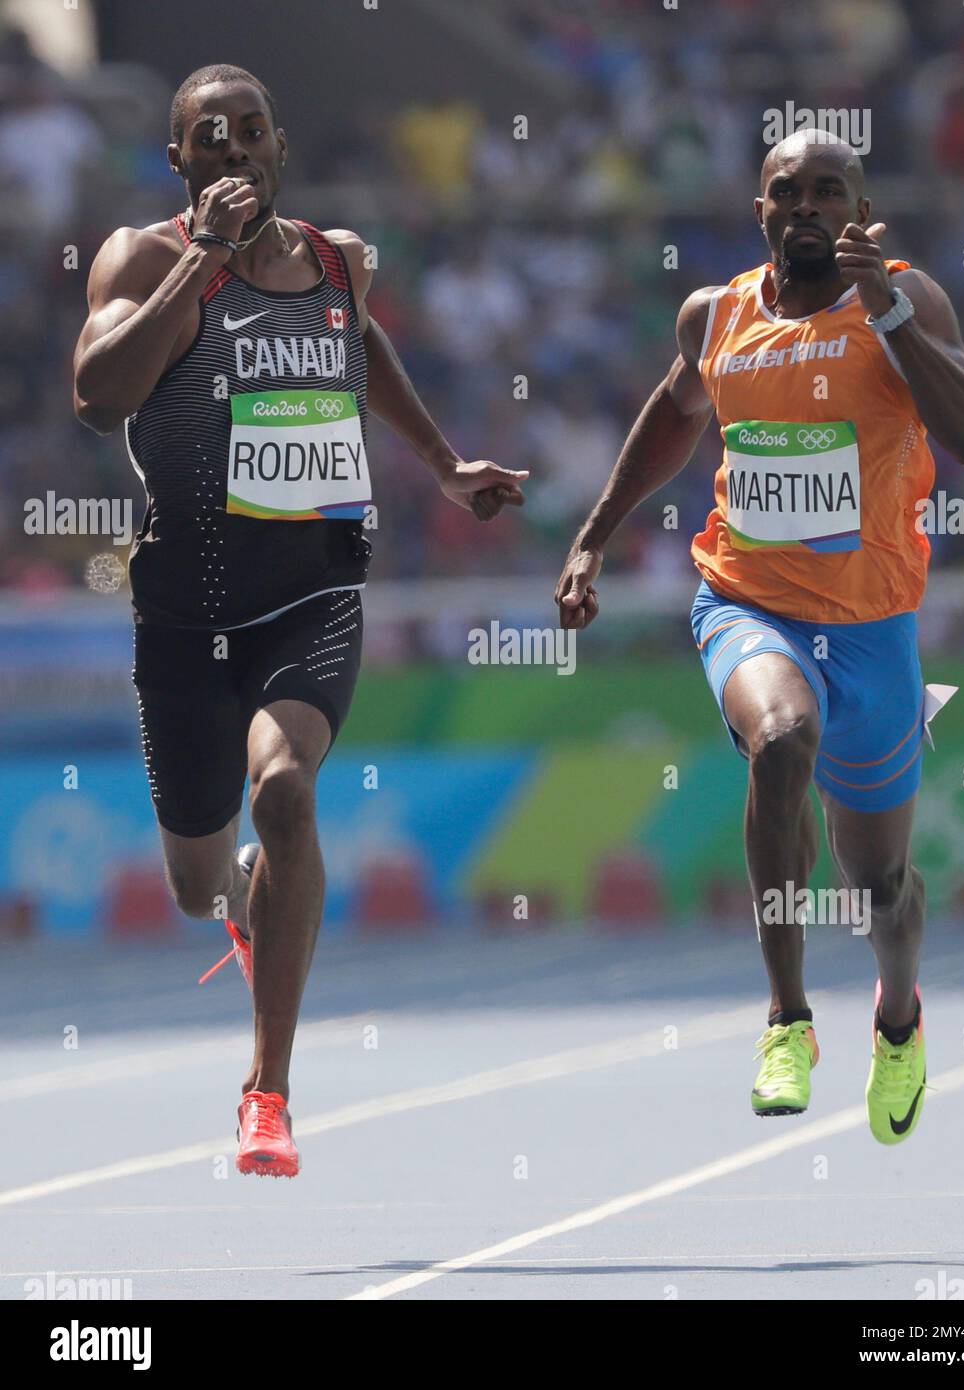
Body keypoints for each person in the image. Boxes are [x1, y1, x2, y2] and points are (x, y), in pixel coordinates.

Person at [73, 64, 526, 1178]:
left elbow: (359, 348)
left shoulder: (341, 261)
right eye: (208, 144)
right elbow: (100, 394)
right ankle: (232, 894)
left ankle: (267, 1089)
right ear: (179, 161)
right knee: (192, 884)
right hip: (185, 611)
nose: (234, 158)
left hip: (312, 594)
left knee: (285, 787)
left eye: (251, 139)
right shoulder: (139, 255)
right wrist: (202, 260)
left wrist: (444, 463)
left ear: (281, 148)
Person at [555, 130, 964, 1144]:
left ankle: (897, 1015)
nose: (806, 206)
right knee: (781, 735)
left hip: (876, 623)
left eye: (827, 190)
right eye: (786, 192)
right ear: (760, 212)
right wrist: (593, 537)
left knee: (880, 881)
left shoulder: (909, 299)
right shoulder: (716, 316)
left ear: (860, 208)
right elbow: (673, 417)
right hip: (749, 600)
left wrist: (885, 309)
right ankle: (787, 1016)